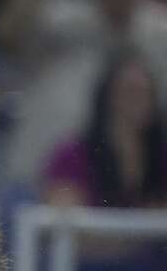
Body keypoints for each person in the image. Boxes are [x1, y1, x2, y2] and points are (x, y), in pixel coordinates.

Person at [43, 45, 167, 206]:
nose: (140, 102)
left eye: (147, 92)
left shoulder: (162, 155)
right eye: (131, 92)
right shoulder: (73, 154)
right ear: (107, 97)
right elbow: (62, 213)